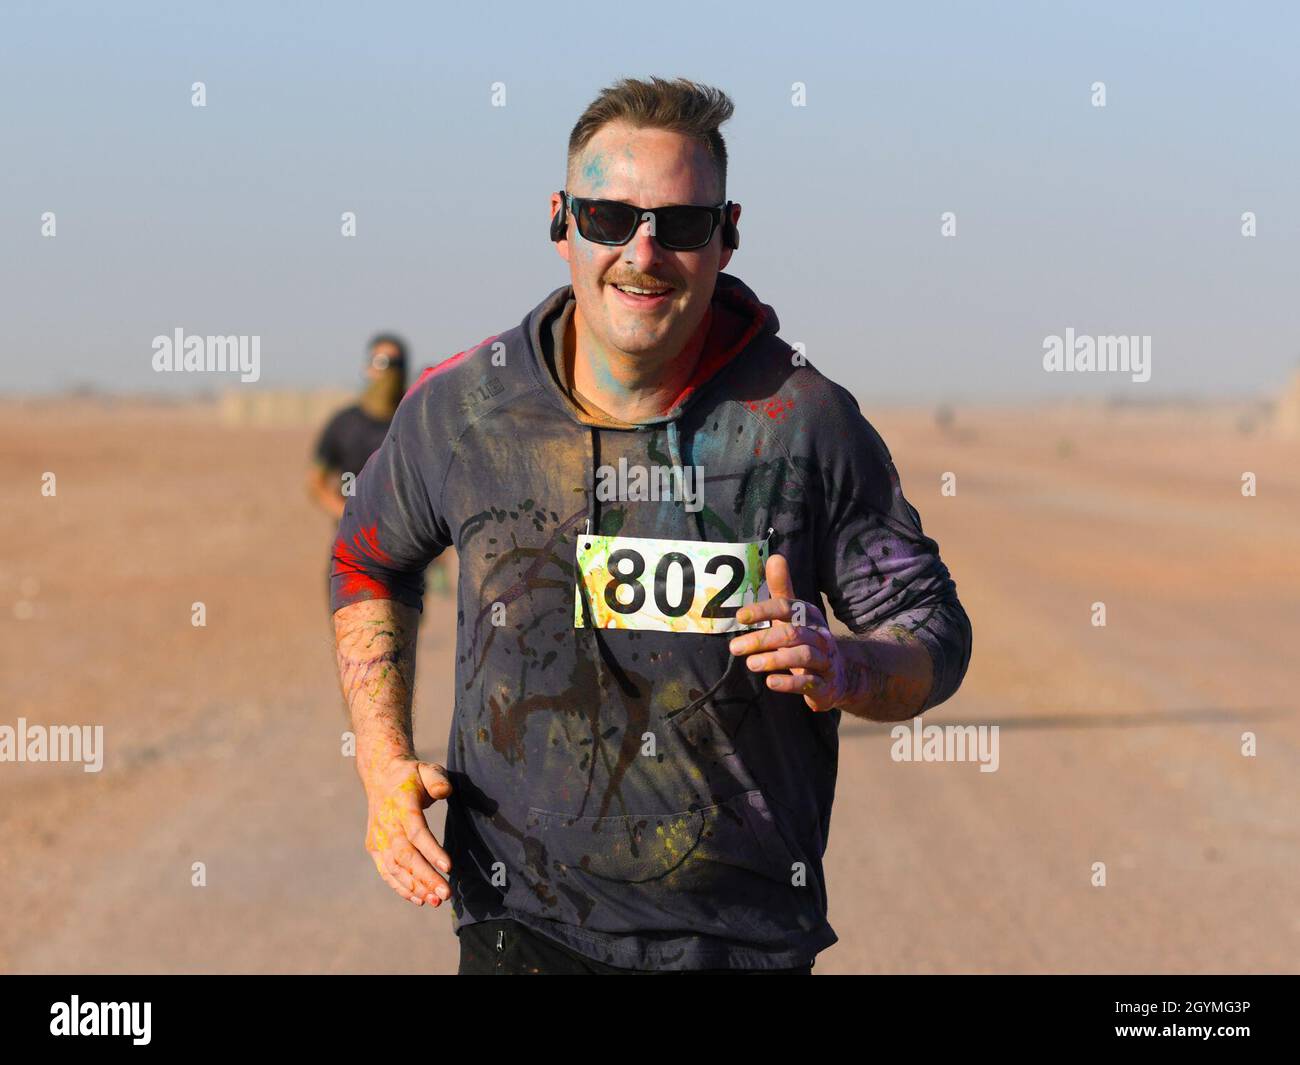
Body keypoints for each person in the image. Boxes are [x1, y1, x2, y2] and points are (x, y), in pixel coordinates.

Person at [330, 77, 972, 974]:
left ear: (727, 234)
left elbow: (935, 632)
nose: (642, 252)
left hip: (740, 934)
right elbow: (368, 559)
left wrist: (847, 662)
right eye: (607, 217)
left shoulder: (804, 421)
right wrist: (382, 763)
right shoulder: (465, 410)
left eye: (679, 225)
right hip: (521, 919)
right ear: (560, 221)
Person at [306, 334, 408, 520]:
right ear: (368, 368)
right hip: (353, 543)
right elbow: (316, 482)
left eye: (396, 364)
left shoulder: (414, 422)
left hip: (410, 544)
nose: (389, 372)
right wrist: (347, 514)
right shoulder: (345, 423)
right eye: (382, 362)